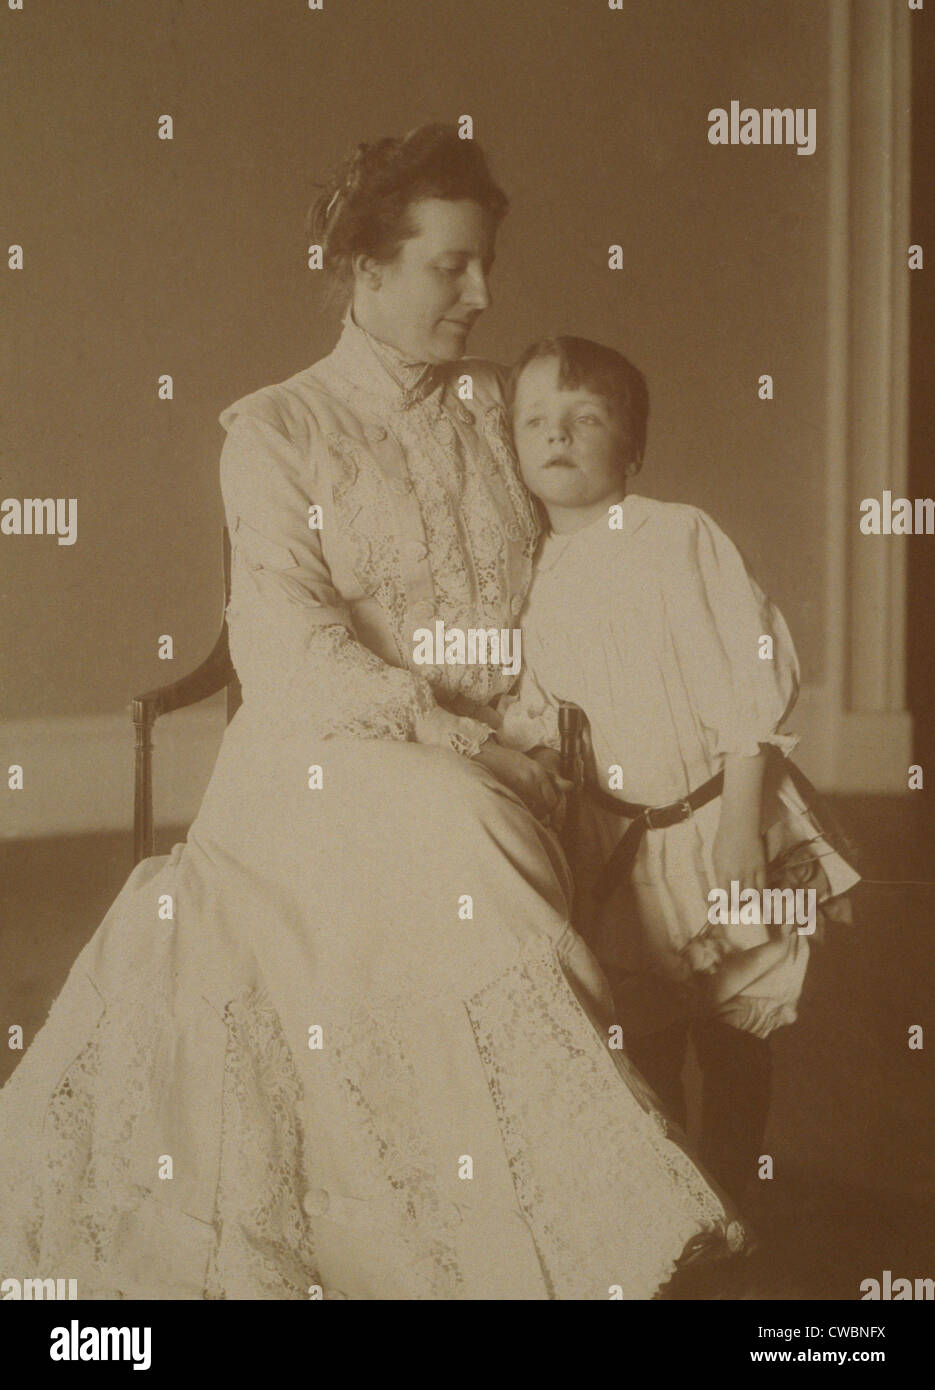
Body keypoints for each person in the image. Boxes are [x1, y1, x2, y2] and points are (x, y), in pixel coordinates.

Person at [0, 129, 744, 1301]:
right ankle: (570, 1239)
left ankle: (581, 1208)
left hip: (508, 741)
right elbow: (288, 650)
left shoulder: (501, 406)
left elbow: (595, 542)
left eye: (486, 263)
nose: (483, 293)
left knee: (563, 815)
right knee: (464, 823)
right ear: (366, 270)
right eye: (452, 267)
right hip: (317, 763)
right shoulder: (276, 433)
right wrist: (459, 735)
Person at [500, 334, 860, 1203]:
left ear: (633, 447)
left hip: (714, 819)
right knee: (644, 1030)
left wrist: (740, 827)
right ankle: (677, 1205)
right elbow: (543, 709)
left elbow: (746, 682)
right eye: (536, 422)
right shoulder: (533, 571)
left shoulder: (674, 537)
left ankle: (733, 1185)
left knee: (736, 1028)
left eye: (585, 420)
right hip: (622, 842)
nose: (558, 437)